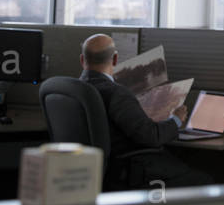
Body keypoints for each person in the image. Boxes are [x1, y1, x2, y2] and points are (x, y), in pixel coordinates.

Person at [78, 34, 213, 190]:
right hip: (130, 169)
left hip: (96, 169)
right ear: (115, 59)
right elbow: (151, 136)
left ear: (82, 60)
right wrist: (176, 119)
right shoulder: (116, 94)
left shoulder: (74, 89)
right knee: (204, 179)